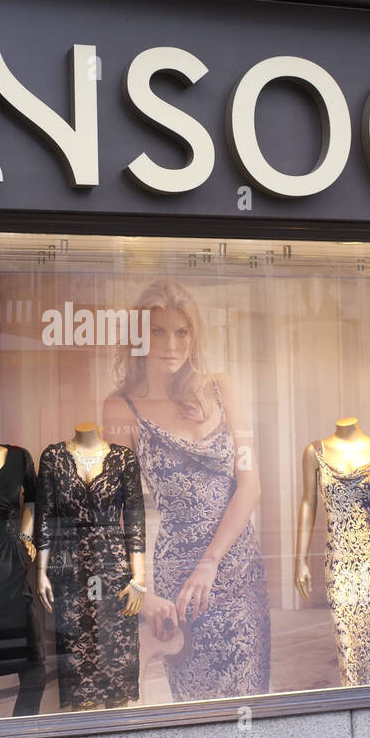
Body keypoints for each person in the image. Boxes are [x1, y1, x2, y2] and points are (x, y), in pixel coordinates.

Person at [101, 280, 271, 701]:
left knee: (251, 702)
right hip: (180, 585)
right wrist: (141, 591)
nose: (171, 344)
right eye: (157, 331)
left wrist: (211, 561)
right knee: (198, 709)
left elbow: (249, 484)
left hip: (238, 572)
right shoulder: (121, 407)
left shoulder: (221, 387)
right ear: (139, 337)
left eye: (181, 332)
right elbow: (120, 514)